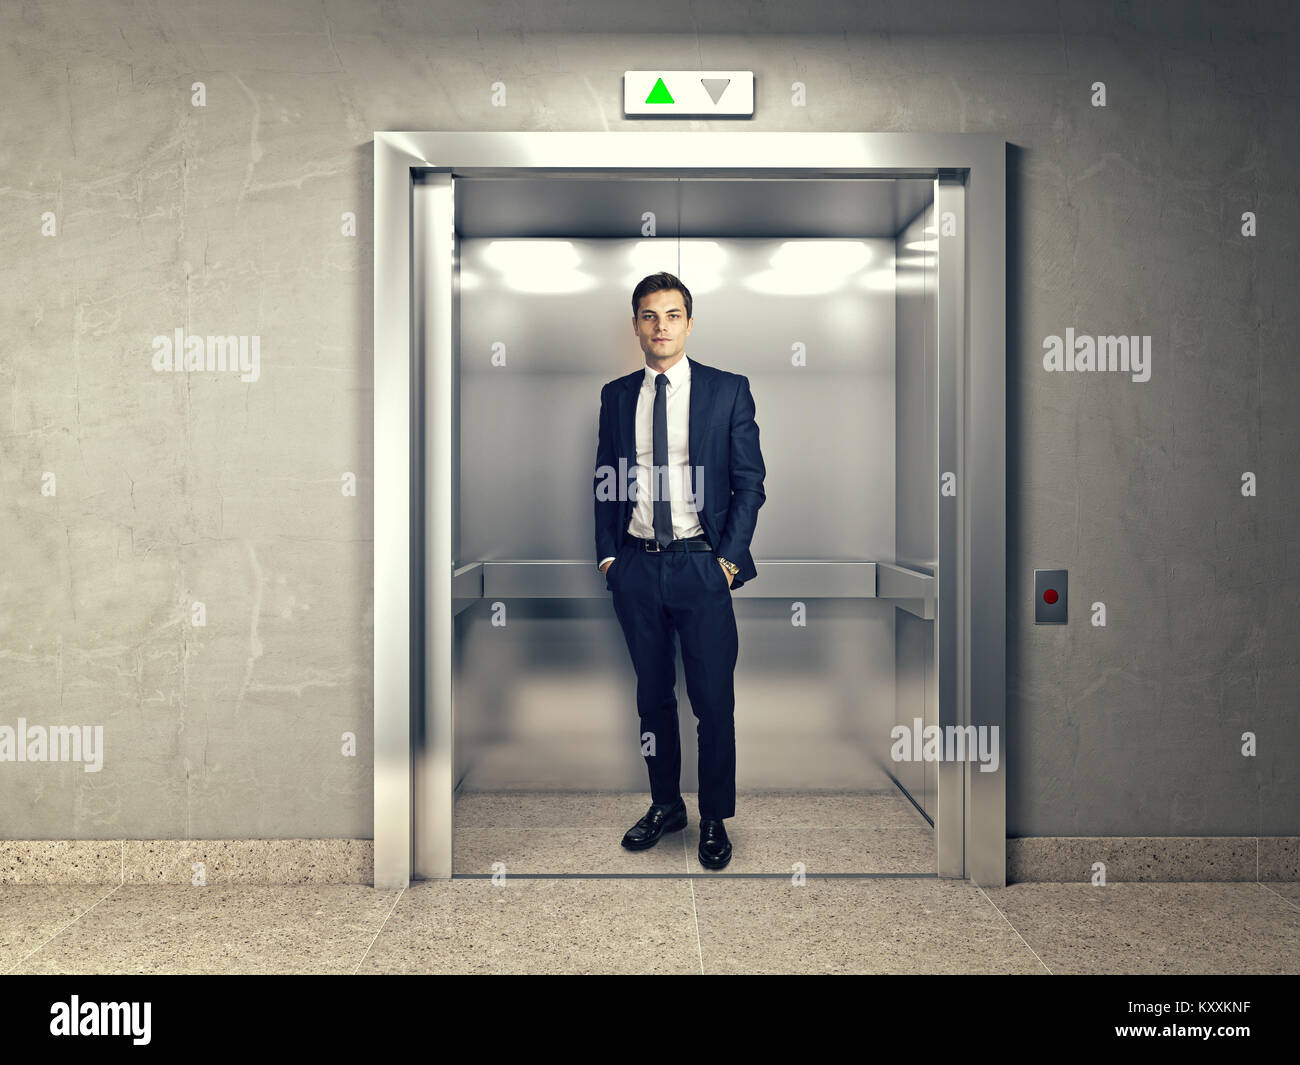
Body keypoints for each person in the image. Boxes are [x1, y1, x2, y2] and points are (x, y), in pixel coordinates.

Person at [592, 271, 766, 869]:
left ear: (688, 323)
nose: (659, 326)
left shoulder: (727, 391)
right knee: (652, 699)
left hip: (700, 565)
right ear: (635, 325)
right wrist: (609, 558)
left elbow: (751, 484)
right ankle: (666, 805)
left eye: (671, 315)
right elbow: (603, 482)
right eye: (648, 315)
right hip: (637, 568)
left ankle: (715, 815)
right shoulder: (616, 396)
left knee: (713, 700)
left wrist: (726, 563)